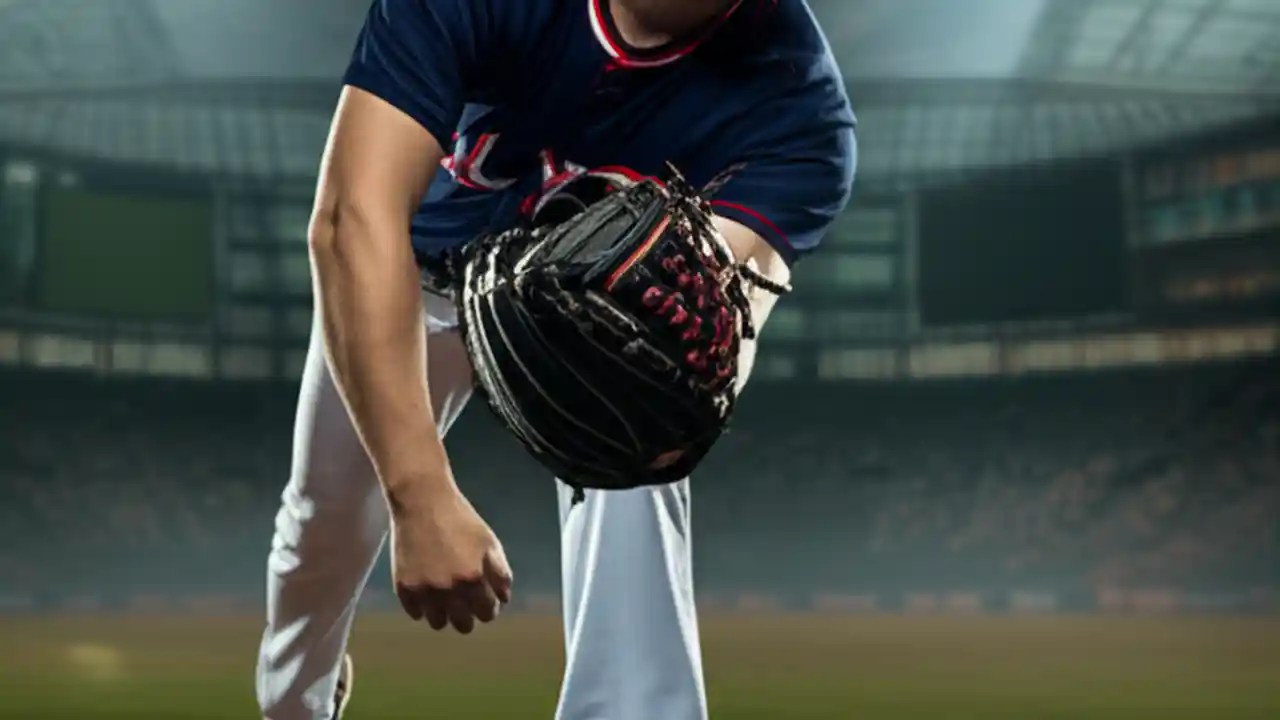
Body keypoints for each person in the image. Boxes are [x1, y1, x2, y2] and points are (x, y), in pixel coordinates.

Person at [254, 0, 856, 718]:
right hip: (415, 278)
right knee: (325, 519)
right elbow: (353, 216)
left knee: (645, 395)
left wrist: (679, 356)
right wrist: (418, 491)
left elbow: (709, 344)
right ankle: (296, 699)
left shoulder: (800, 115)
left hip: (585, 315)